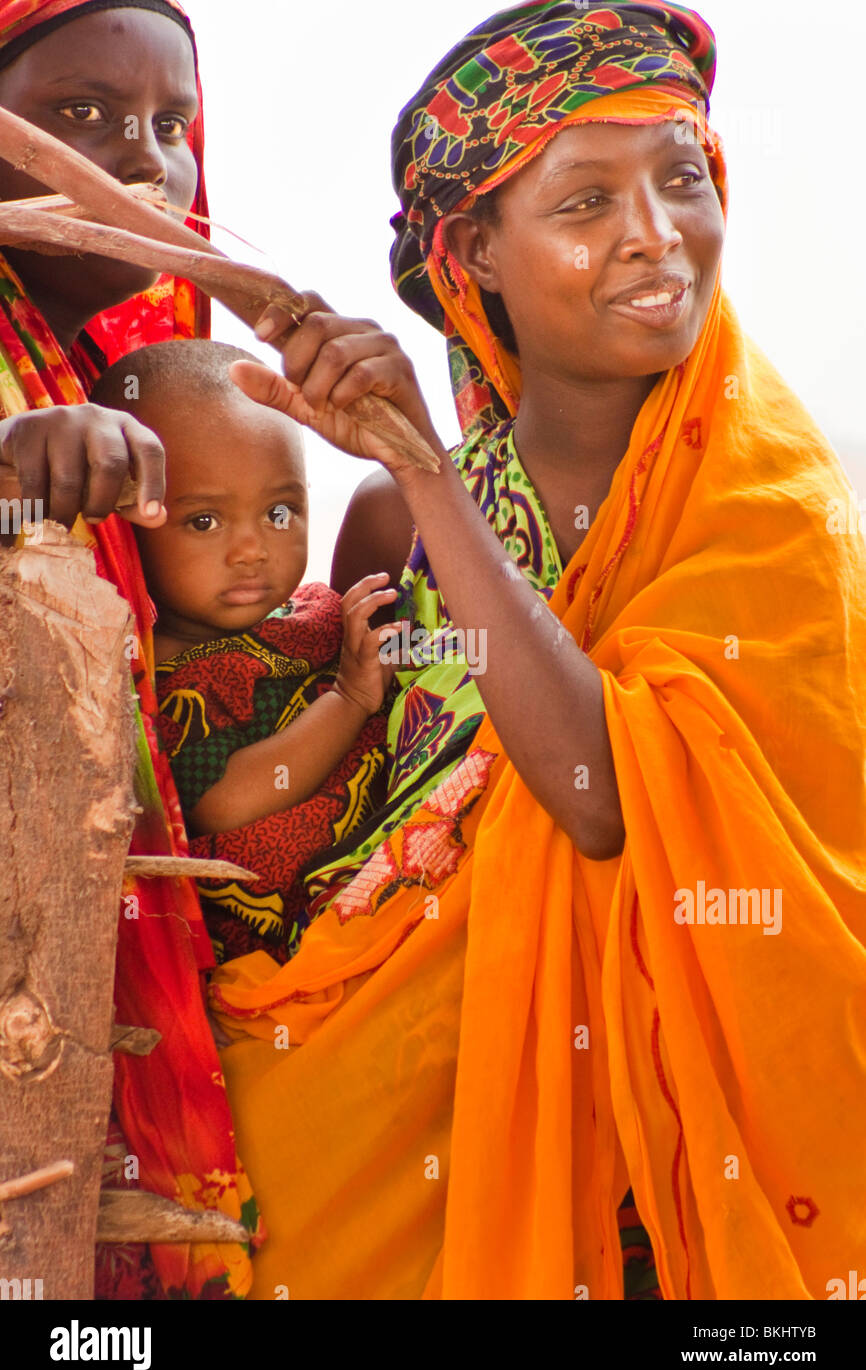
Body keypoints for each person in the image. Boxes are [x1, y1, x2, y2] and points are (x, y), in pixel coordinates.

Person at [209, 1, 866, 1300]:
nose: (653, 234)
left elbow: (603, 799)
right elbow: (312, 830)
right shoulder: (391, 529)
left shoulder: (770, 518)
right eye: (582, 202)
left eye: (682, 177)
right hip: (326, 1146)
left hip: (637, 1193)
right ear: (476, 256)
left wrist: (426, 474)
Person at [0, 0, 261, 1299]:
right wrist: (9, 482)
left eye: (172, 124)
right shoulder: (37, 408)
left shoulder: (127, 381)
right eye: (78, 117)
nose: (146, 157)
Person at [92, 339, 395, 965]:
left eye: (280, 512)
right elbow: (223, 803)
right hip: (283, 951)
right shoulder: (163, 687)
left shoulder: (308, 618)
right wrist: (350, 698)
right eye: (205, 522)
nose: (253, 549)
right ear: (124, 520)